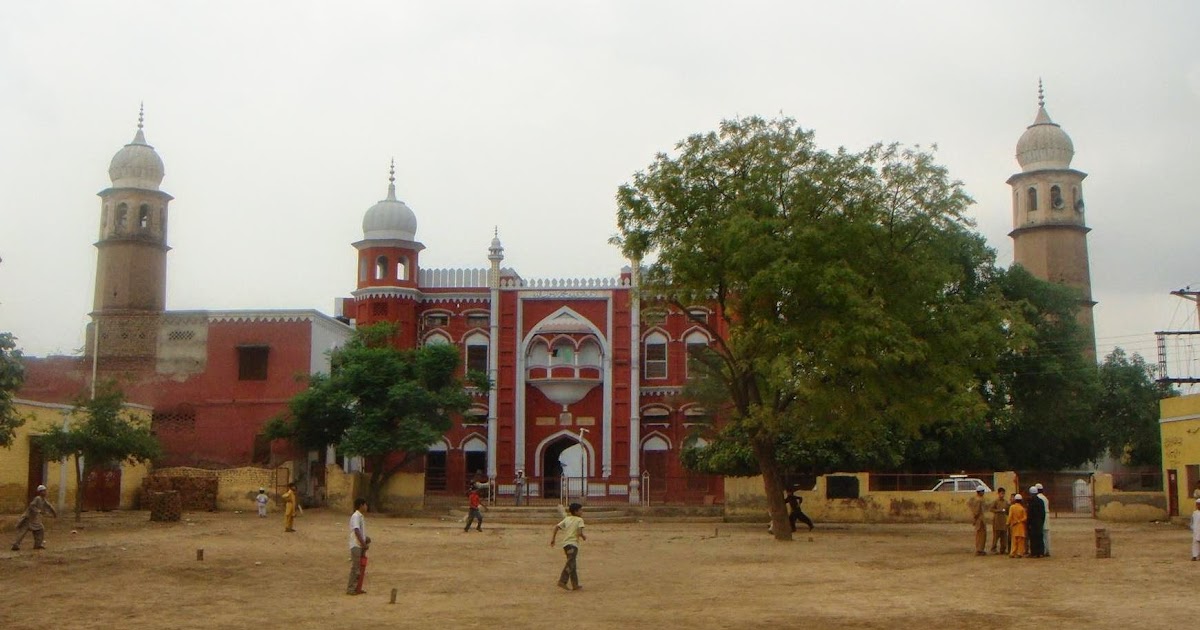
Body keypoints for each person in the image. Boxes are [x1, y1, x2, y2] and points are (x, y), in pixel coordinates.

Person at [551, 502, 586, 591]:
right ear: (576, 511)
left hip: (566, 544)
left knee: (572, 563)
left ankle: (575, 584)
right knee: (571, 563)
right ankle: (562, 581)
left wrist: (553, 539)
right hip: (573, 545)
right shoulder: (579, 520)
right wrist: (583, 536)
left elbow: (556, 527)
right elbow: (579, 532)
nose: (582, 511)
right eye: (580, 510)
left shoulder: (567, 519)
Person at [11, 484, 58, 551]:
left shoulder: (43, 500)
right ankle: (15, 545)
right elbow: (31, 506)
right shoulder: (37, 498)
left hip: (34, 519)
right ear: (40, 492)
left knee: (40, 530)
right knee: (23, 532)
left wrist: (54, 513)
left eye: (45, 491)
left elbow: (49, 506)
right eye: (43, 491)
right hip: (28, 518)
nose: (45, 492)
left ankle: (38, 544)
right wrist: (38, 511)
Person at [347, 498, 371, 595]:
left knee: (360, 568)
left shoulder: (360, 517)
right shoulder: (356, 516)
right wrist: (363, 543)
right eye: (365, 505)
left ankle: (357, 587)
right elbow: (357, 531)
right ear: (361, 505)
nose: (366, 507)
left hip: (359, 544)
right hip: (356, 545)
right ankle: (351, 588)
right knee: (356, 567)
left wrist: (366, 539)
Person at [967, 486, 987, 556]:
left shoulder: (976, 499)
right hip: (980, 519)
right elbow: (977, 511)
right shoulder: (979, 500)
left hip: (979, 518)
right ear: (980, 492)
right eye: (983, 491)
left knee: (980, 535)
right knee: (981, 535)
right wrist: (975, 519)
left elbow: (969, 504)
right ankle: (979, 549)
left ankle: (980, 549)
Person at [1026, 485, 1045, 557]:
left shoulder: (1031, 502)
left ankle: (1034, 553)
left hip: (1033, 523)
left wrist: (1028, 524)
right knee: (1040, 537)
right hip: (1039, 522)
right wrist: (1042, 521)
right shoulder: (1041, 501)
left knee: (1033, 538)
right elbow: (1043, 513)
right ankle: (1041, 553)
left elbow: (1029, 514)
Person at [990, 487, 1010, 555]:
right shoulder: (995, 501)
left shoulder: (1006, 502)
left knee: (1004, 536)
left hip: (1004, 521)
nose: (1002, 495)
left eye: (1003, 494)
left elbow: (1008, 511)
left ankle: (1003, 549)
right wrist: (999, 510)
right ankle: (993, 549)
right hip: (997, 521)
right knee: (996, 536)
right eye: (1001, 493)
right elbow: (991, 509)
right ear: (998, 494)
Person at [1007, 493, 1028, 558]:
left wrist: (1007, 523)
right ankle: (1019, 553)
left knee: (1014, 540)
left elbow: (1010, 516)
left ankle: (1013, 553)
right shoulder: (1022, 508)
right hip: (1021, 526)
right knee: (1020, 541)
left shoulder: (1012, 507)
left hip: (1014, 526)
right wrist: (1019, 521)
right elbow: (1025, 518)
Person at [1036, 482, 1051, 556]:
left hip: (1042, 516)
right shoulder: (1045, 498)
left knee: (1042, 534)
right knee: (1047, 534)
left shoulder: (1038, 498)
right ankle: (1047, 550)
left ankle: (1044, 550)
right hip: (1047, 515)